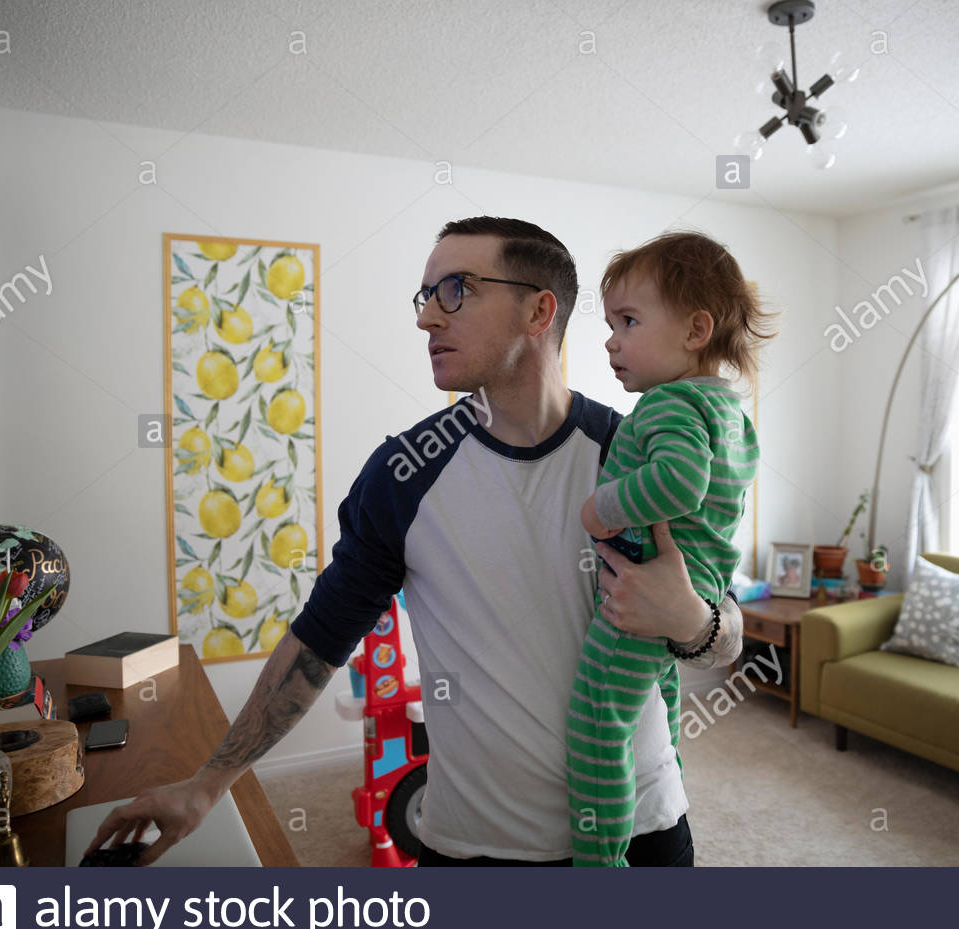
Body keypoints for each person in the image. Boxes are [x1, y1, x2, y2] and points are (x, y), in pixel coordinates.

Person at [86, 217, 744, 866]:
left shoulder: (636, 454)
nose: (427, 317)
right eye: (424, 296)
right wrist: (207, 784)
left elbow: (725, 627)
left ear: (538, 311)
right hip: (475, 849)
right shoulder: (402, 476)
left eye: (455, 289)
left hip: (643, 833)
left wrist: (691, 618)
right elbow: (319, 641)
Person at [571, 232, 772, 866]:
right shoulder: (725, 410)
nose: (610, 340)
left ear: (695, 331)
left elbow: (681, 483)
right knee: (658, 705)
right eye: (609, 324)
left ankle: (599, 862)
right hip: (699, 587)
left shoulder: (669, 405)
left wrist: (599, 509)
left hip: (643, 605)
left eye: (628, 321)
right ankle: (669, 792)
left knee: (598, 724)